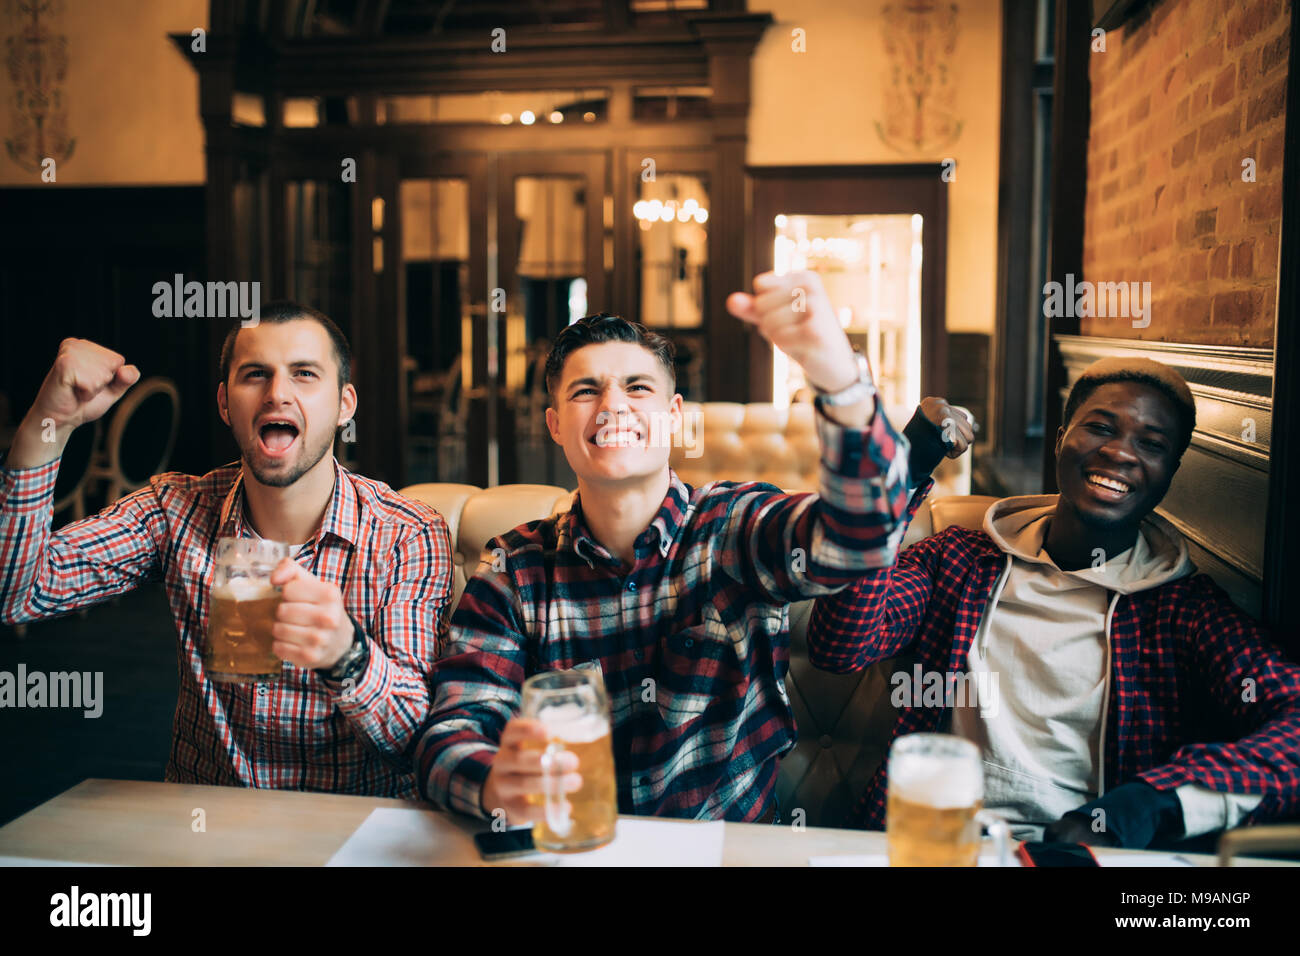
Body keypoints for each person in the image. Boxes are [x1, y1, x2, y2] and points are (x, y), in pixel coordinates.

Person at [415, 271, 913, 824]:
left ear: (674, 417)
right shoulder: (516, 568)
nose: (613, 405)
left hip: (725, 855)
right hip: (577, 853)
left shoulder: (732, 528)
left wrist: (837, 378)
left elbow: (860, 540)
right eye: (586, 390)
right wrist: (494, 783)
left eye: (637, 387)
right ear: (556, 425)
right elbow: (453, 729)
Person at [808, 356, 1300, 848]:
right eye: (1100, 427)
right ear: (1063, 436)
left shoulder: (1184, 612)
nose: (1120, 453)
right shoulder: (958, 559)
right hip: (927, 846)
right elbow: (840, 645)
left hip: (1077, 858)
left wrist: (1152, 802)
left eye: (1150, 444)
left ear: (1169, 471)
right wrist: (904, 466)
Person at [0, 303, 453, 798]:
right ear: (223, 403)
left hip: (353, 833)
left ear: (345, 405)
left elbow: (415, 740)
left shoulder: (406, 533)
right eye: (255, 375)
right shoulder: (174, 509)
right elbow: (19, 595)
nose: (277, 393)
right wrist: (50, 422)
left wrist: (348, 656)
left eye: (304, 374)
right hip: (207, 829)